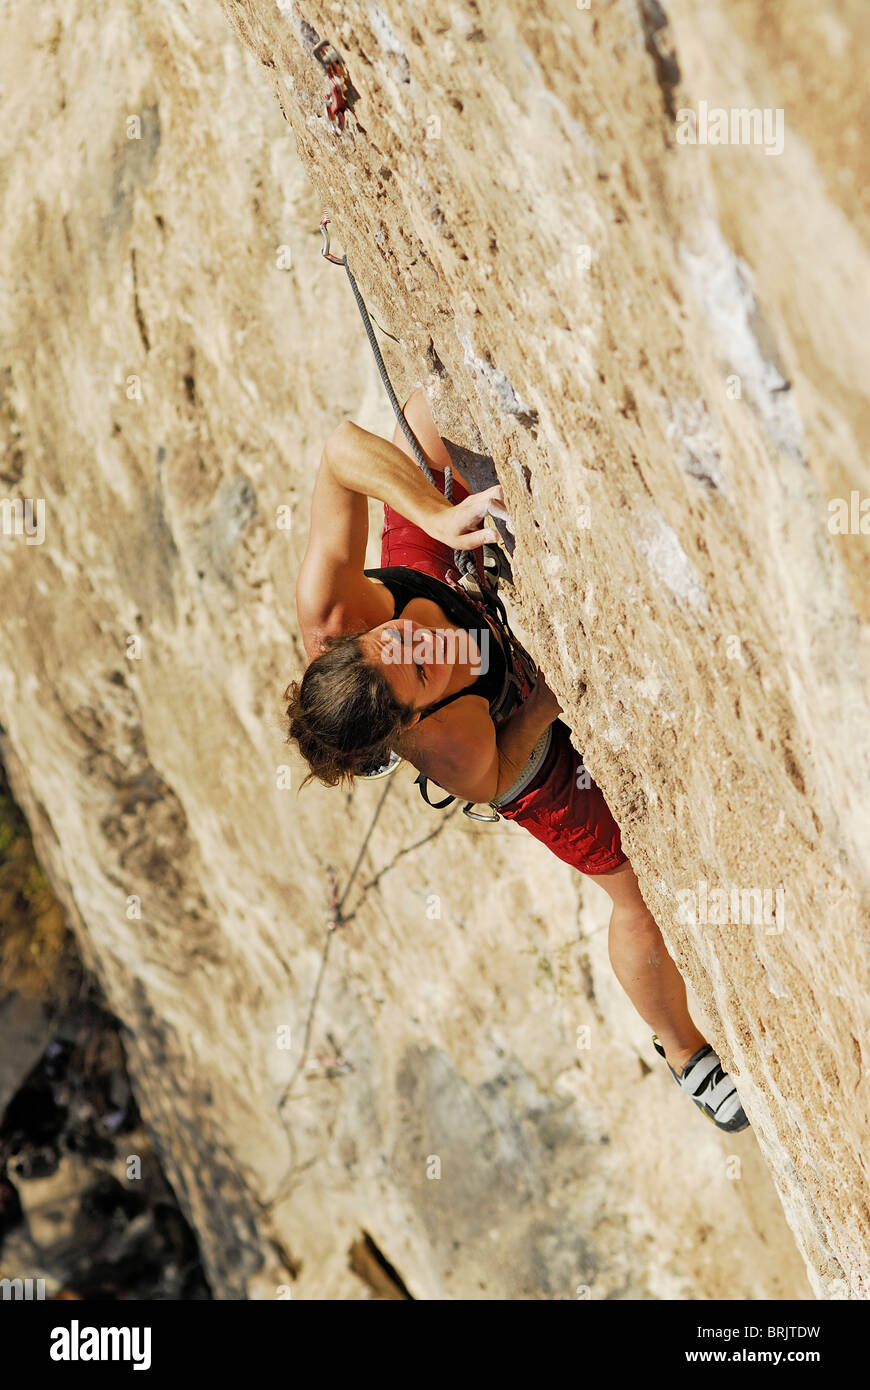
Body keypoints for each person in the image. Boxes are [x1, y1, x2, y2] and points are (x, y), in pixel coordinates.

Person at [286, 388, 749, 1132]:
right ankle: (684, 1051)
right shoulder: (454, 748)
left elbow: (340, 450)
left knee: (425, 419)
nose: (419, 647)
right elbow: (507, 765)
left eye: (395, 643)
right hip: (515, 732)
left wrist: (439, 517)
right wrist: (554, 681)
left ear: (355, 638)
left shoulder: (336, 609)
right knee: (635, 892)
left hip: (436, 579)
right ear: (411, 718)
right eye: (420, 672)